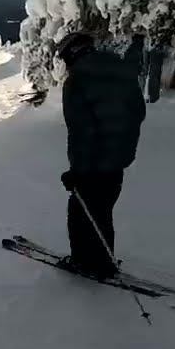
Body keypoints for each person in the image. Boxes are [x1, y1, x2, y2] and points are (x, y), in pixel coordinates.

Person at [55, 32, 146, 279]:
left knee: (80, 212)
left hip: (93, 164)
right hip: (118, 160)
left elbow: (81, 131)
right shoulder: (121, 71)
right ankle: (102, 260)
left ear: (72, 54)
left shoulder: (77, 81)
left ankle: (85, 262)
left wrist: (77, 171)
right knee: (102, 210)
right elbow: (138, 111)